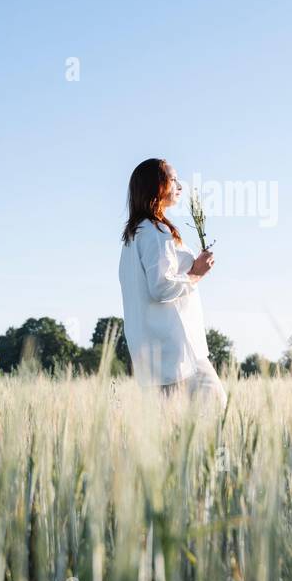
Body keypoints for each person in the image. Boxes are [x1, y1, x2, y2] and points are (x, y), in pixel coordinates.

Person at [118, 158, 226, 406]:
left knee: (170, 434)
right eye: (173, 179)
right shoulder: (157, 232)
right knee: (216, 409)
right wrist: (196, 273)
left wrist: (192, 264)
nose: (179, 185)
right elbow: (160, 287)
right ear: (157, 187)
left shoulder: (134, 236)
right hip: (177, 352)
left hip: (152, 355)